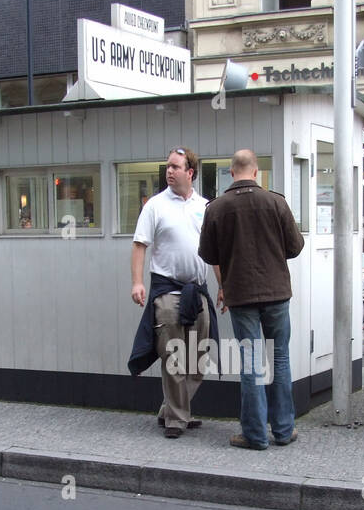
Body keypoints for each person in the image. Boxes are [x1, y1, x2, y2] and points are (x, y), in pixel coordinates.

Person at [198, 149, 305, 450]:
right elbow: (295, 247)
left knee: (250, 363)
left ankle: (255, 435)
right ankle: (284, 431)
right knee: (280, 359)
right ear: (256, 172)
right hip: (277, 294)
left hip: (241, 295)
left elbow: (208, 255)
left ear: (232, 173)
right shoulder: (276, 202)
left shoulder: (216, 208)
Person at [128, 147, 219, 437]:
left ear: (190, 172)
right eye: (167, 166)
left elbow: (215, 253)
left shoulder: (205, 207)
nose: (169, 171)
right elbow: (140, 244)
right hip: (167, 291)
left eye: (175, 167)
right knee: (174, 359)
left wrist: (224, 287)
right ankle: (177, 419)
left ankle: (170, 409)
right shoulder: (155, 205)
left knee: (198, 360)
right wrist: (137, 282)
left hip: (198, 291)